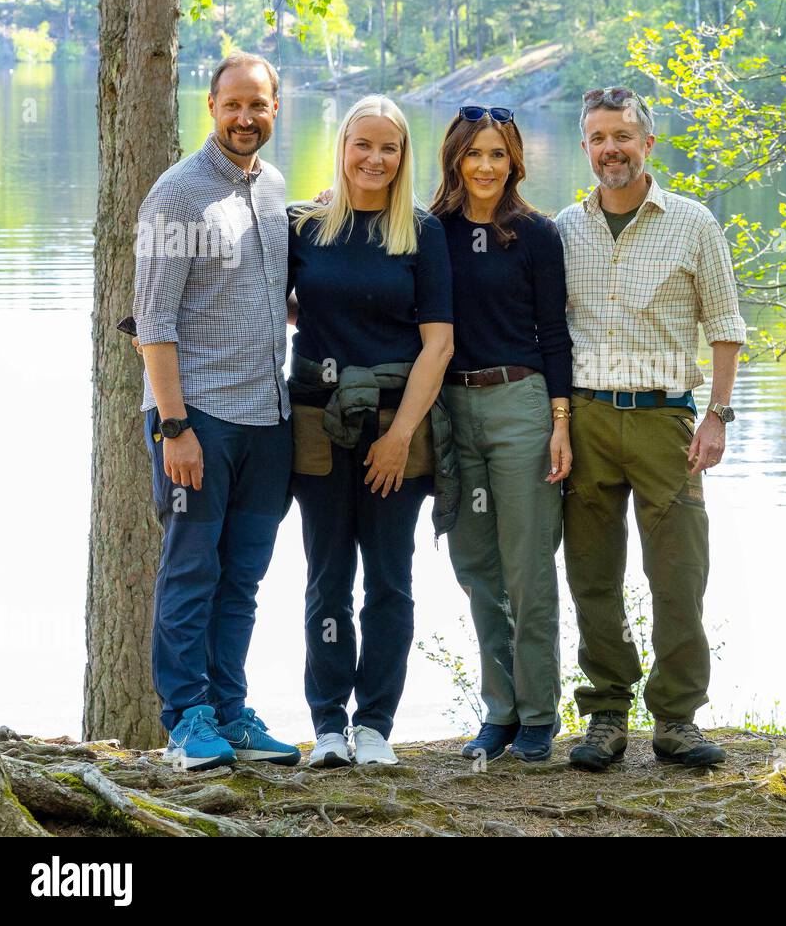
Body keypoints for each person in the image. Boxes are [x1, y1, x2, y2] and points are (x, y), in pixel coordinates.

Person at [556, 87, 746, 771]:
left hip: (668, 419)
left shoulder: (693, 224)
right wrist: (558, 422)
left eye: (624, 136)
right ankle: (607, 712)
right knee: (592, 575)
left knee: (679, 572)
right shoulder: (563, 229)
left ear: (647, 144)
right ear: (586, 147)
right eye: (600, 137)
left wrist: (718, 414)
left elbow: (725, 327)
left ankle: (676, 718)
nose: (612, 148)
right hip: (587, 418)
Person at [133, 52, 299, 771]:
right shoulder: (176, 195)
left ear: (275, 108)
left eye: (257, 105)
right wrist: (175, 426)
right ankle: (186, 718)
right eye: (233, 104)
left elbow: (272, 297)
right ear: (210, 106)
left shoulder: (273, 191)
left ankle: (230, 711)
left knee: (243, 577)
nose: (245, 118)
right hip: (196, 417)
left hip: (267, 418)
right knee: (192, 569)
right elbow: (154, 321)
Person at [287, 94, 454, 768]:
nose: (375, 159)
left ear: (404, 156)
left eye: (390, 148)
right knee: (327, 577)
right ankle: (328, 724)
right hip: (316, 423)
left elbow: (437, 345)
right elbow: (280, 307)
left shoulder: (422, 233)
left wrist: (400, 433)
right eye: (364, 144)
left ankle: (377, 724)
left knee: (389, 577)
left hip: (397, 424)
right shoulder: (304, 227)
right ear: (343, 145)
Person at [429, 105, 572, 763]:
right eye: (474, 153)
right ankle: (500, 712)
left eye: (498, 154)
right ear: (455, 158)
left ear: (515, 160)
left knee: (528, 568)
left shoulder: (537, 234)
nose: (485, 165)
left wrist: (560, 423)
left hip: (522, 406)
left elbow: (555, 335)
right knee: (478, 569)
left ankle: (540, 713)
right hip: (454, 411)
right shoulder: (433, 233)